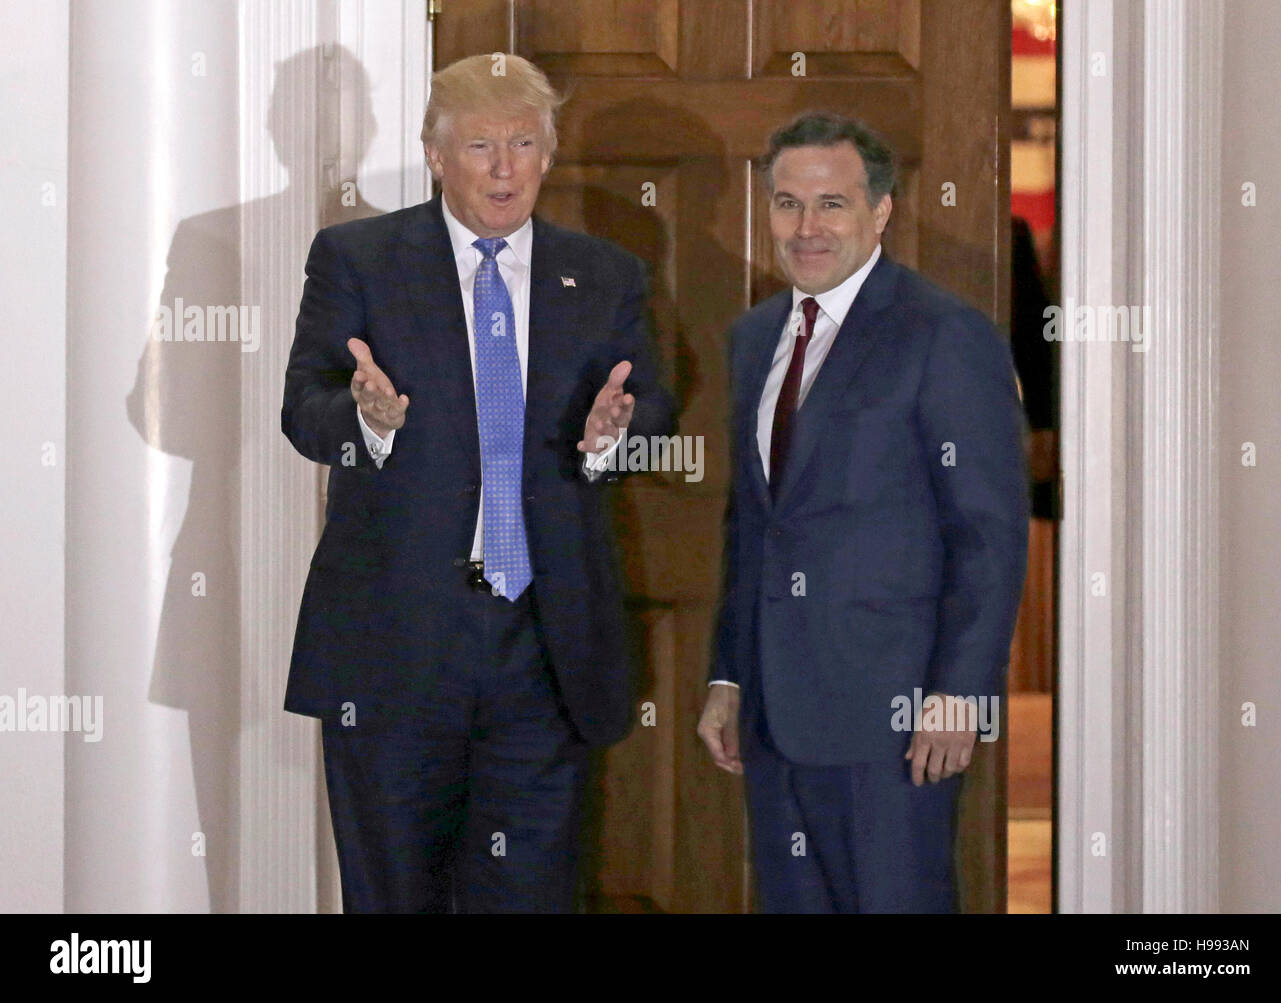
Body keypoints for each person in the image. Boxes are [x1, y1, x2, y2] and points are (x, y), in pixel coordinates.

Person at [281, 53, 674, 913]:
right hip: (394, 644)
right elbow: (304, 409)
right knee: (393, 892)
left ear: (549, 153)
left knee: (531, 892)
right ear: (433, 154)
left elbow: (652, 404)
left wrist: (617, 436)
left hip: (542, 643)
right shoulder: (359, 258)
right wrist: (369, 422)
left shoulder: (604, 272)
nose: (505, 169)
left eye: (525, 144)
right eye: (481, 146)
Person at [697, 113, 1028, 913]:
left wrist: (960, 691)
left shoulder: (946, 335)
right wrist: (729, 673)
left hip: (895, 713)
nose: (806, 228)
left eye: (832, 204)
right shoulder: (753, 337)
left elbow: (989, 531)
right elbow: (754, 526)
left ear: (880, 211)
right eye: (786, 204)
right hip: (774, 712)